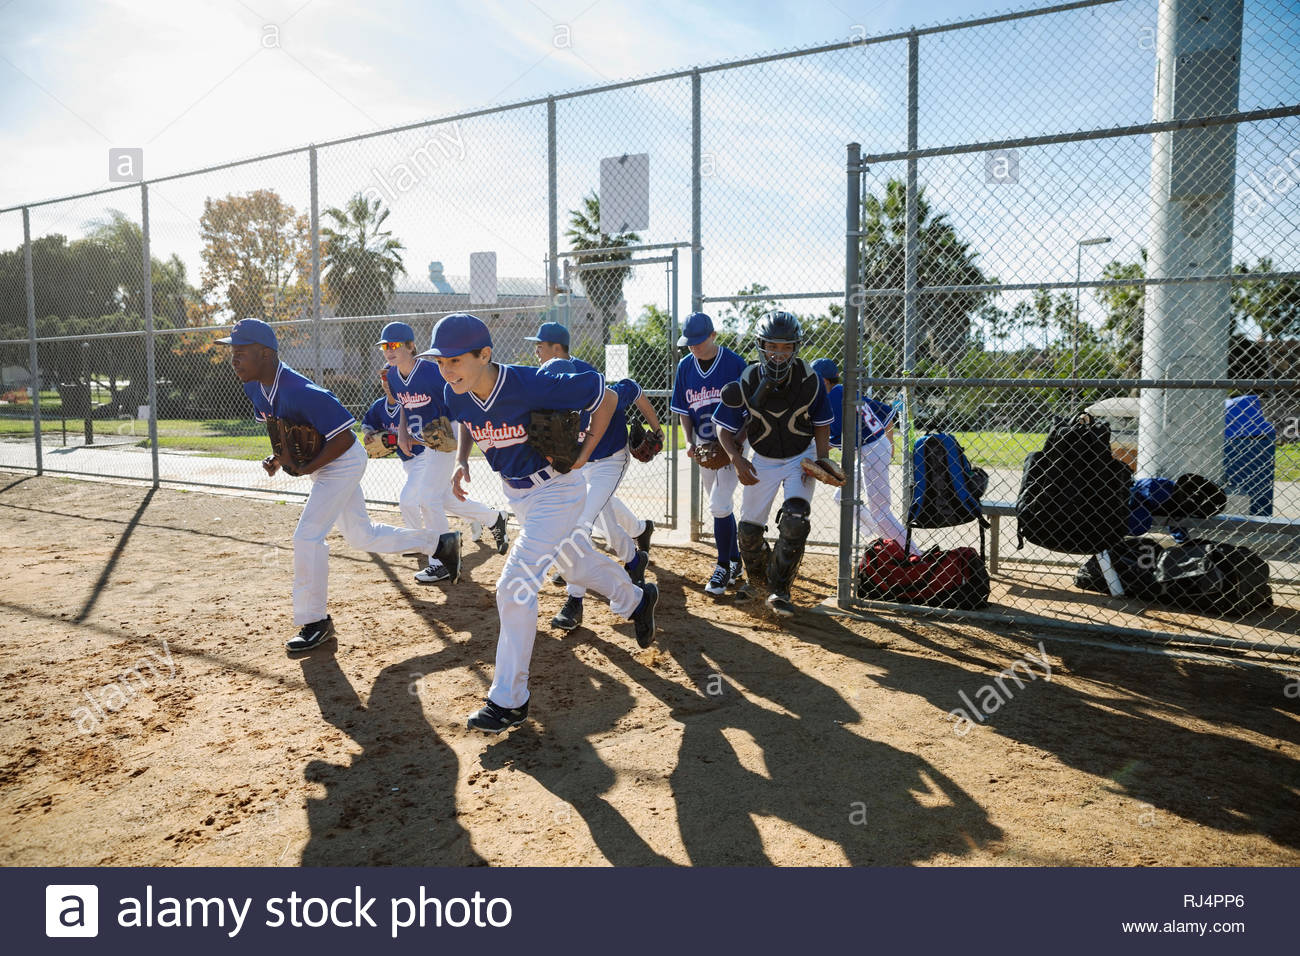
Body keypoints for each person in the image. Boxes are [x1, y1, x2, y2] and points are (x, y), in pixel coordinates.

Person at [420, 313, 658, 734]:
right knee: (577, 564)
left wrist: (584, 456)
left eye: (455, 360)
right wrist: (460, 462)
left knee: (514, 587)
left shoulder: (531, 383)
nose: (446, 369)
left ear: (485, 355)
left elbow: (604, 398)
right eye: (441, 361)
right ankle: (637, 600)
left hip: (558, 491)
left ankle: (509, 699)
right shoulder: (454, 391)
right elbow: (466, 422)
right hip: (519, 495)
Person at [220, 318, 450, 653]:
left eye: (241, 352)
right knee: (361, 535)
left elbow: (344, 438)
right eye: (233, 352)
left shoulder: (302, 390)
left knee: (307, 535)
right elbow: (283, 429)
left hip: (342, 461)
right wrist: (278, 457)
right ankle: (439, 544)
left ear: (266, 355)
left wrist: (304, 467)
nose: (233, 359)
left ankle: (315, 621)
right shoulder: (255, 386)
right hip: (324, 465)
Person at [713, 311, 832, 618]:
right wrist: (737, 459)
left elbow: (821, 424)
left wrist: (821, 458)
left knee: (795, 519)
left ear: (796, 348)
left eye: (786, 347)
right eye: (772, 346)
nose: (779, 353)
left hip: (799, 457)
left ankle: (780, 591)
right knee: (749, 530)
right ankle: (758, 583)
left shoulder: (810, 379)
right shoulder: (748, 379)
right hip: (762, 458)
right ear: (761, 345)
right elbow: (723, 429)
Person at [378, 321, 510, 585]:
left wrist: (464, 435)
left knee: (427, 498)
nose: (388, 350)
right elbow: (404, 406)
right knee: (442, 499)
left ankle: (441, 563)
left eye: (394, 345)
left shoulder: (432, 371)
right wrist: (402, 433)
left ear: (411, 346)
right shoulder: (392, 375)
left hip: (447, 431)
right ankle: (494, 518)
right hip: (425, 437)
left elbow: (462, 396)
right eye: (384, 346)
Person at [542, 358, 665, 633]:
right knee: (603, 519)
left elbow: (636, 390)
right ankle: (634, 559)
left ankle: (574, 601)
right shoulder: (549, 408)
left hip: (611, 461)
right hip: (580, 466)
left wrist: (657, 430)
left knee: (580, 522)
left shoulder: (603, 395)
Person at [526, 320, 655, 562]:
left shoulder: (586, 376)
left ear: (557, 349)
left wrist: (658, 431)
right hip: (583, 460)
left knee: (584, 518)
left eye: (540, 346)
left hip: (609, 455)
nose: (536, 351)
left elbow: (627, 391)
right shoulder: (544, 378)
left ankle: (576, 580)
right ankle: (638, 537)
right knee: (603, 515)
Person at [670, 311, 747, 595]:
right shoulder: (685, 367)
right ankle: (736, 560)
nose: (694, 346)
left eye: (700, 341)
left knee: (718, 504)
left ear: (714, 336)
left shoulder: (735, 364)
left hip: (732, 444)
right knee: (721, 507)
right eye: (689, 342)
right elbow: (682, 410)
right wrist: (688, 441)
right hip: (703, 446)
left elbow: (750, 412)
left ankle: (722, 566)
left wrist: (737, 444)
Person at [813, 358, 918, 557]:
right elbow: (887, 415)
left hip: (872, 452)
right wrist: (889, 445)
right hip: (874, 449)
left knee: (881, 513)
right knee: (842, 498)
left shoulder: (833, 398)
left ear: (824, 381)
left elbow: (833, 440)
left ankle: (913, 554)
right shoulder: (845, 391)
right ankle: (878, 538)